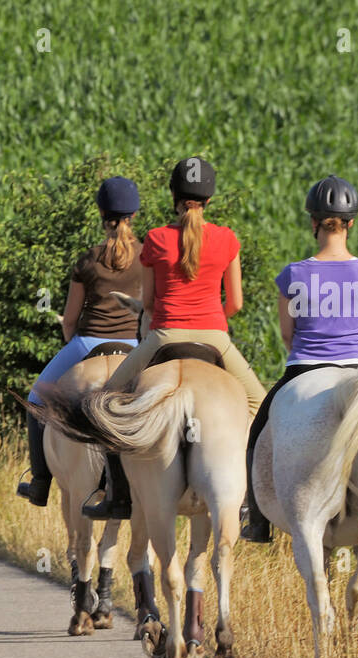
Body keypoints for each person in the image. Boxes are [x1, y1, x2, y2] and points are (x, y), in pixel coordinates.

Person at [240, 176, 358, 544]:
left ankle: (255, 516)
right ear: (351, 223)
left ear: (313, 223)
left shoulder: (294, 274)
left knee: (259, 428)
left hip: (303, 366)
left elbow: (287, 334)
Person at [79, 157, 266, 519]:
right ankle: (250, 501)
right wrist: (213, 323)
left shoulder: (156, 238)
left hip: (162, 337)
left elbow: (147, 303)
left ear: (173, 196)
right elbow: (237, 303)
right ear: (209, 199)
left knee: (105, 403)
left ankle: (116, 495)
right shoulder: (227, 238)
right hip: (215, 338)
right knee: (261, 406)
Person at [16, 176, 144, 507]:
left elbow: (70, 318)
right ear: (134, 214)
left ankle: (40, 481)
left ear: (102, 214)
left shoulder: (88, 260)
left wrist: (74, 344)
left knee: (36, 397)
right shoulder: (148, 256)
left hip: (88, 343)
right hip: (136, 346)